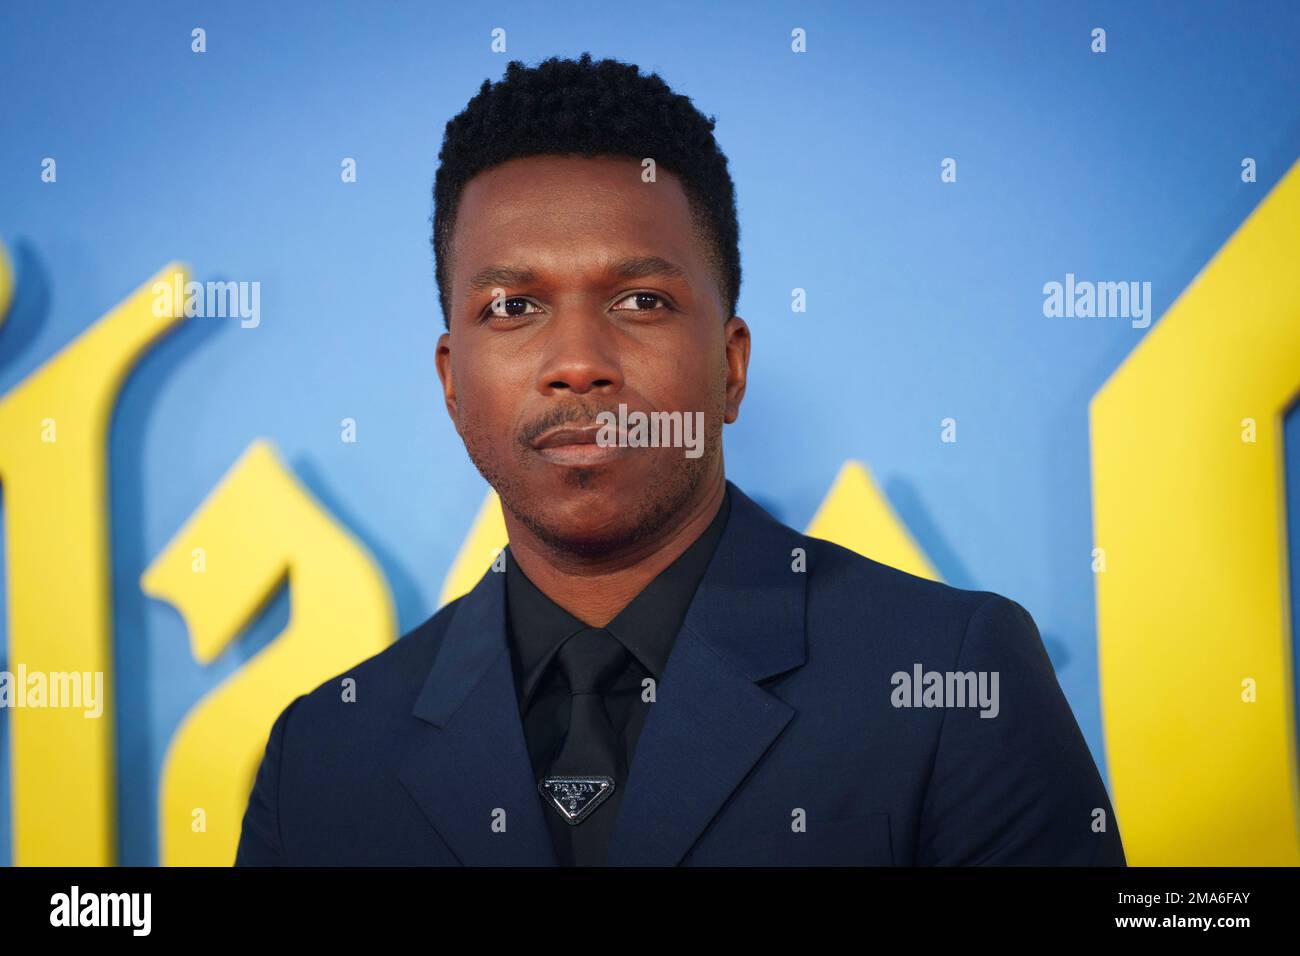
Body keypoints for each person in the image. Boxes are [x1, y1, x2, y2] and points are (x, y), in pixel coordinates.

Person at [235, 53, 1125, 867]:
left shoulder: (954, 680)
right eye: (512, 308)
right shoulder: (322, 756)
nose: (576, 360)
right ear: (451, 383)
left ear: (731, 366)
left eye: (641, 299)